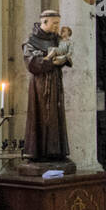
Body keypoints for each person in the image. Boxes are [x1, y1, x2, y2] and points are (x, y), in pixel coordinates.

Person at [22, 10, 70, 163]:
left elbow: (65, 52)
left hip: (55, 81)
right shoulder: (31, 41)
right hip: (40, 85)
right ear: (44, 22)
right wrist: (50, 62)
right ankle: (39, 153)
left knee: (55, 116)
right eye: (54, 23)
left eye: (58, 23)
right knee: (42, 115)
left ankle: (56, 152)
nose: (57, 26)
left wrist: (64, 59)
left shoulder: (56, 39)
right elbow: (31, 63)